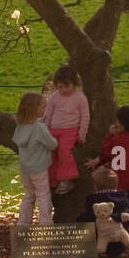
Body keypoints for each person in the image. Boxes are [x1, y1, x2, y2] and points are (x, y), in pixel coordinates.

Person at [88, 105, 129, 227]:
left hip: (124, 180)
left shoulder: (117, 139)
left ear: (121, 125)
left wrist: (110, 135)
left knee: (127, 204)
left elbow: (107, 151)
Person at [12, 92, 57, 225]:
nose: (45, 109)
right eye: (43, 107)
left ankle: (23, 222)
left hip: (25, 168)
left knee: (29, 195)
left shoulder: (21, 126)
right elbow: (52, 145)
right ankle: (45, 223)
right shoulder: (39, 128)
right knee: (43, 195)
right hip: (39, 167)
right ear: (35, 109)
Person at [44, 65, 89, 195]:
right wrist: (46, 129)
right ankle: (52, 180)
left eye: (66, 86)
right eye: (60, 87)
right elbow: (48, 113)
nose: (63, 90)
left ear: (74, 83)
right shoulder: (54, 97)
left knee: (64, 150)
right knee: (50, 151)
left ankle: (66, 179)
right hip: (54, 128)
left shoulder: (80, 98)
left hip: (70, 129)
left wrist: (82, 133)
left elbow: (85, 116)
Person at [76, 165, 129, 257]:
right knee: (125, 220)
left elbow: (89, 215)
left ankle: (101, 250)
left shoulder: (92, 199)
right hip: (118, 231)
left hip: (101, 232)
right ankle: (118, 250)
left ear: (95, 185)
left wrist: (80, 218)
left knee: (86, 220)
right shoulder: (121, 197)